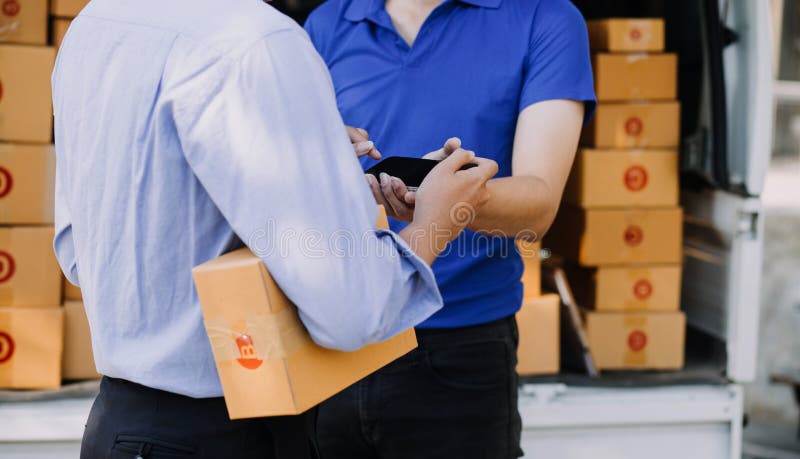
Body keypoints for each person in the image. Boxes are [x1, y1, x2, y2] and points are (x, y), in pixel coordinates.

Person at [51, 0, 498, 457]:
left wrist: (309, 182)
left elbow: (79, 253)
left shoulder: (96, 22)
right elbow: (353, 314)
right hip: (230, 430)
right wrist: (438, 221)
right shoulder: (258, 41)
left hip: (119, 426)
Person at [304, 0, 596, 457]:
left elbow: (539, 205)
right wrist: (322, 159)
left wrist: (449, 201)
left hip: (461, 351)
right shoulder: (328, 22)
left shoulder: (545, 17)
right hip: (335, 337)